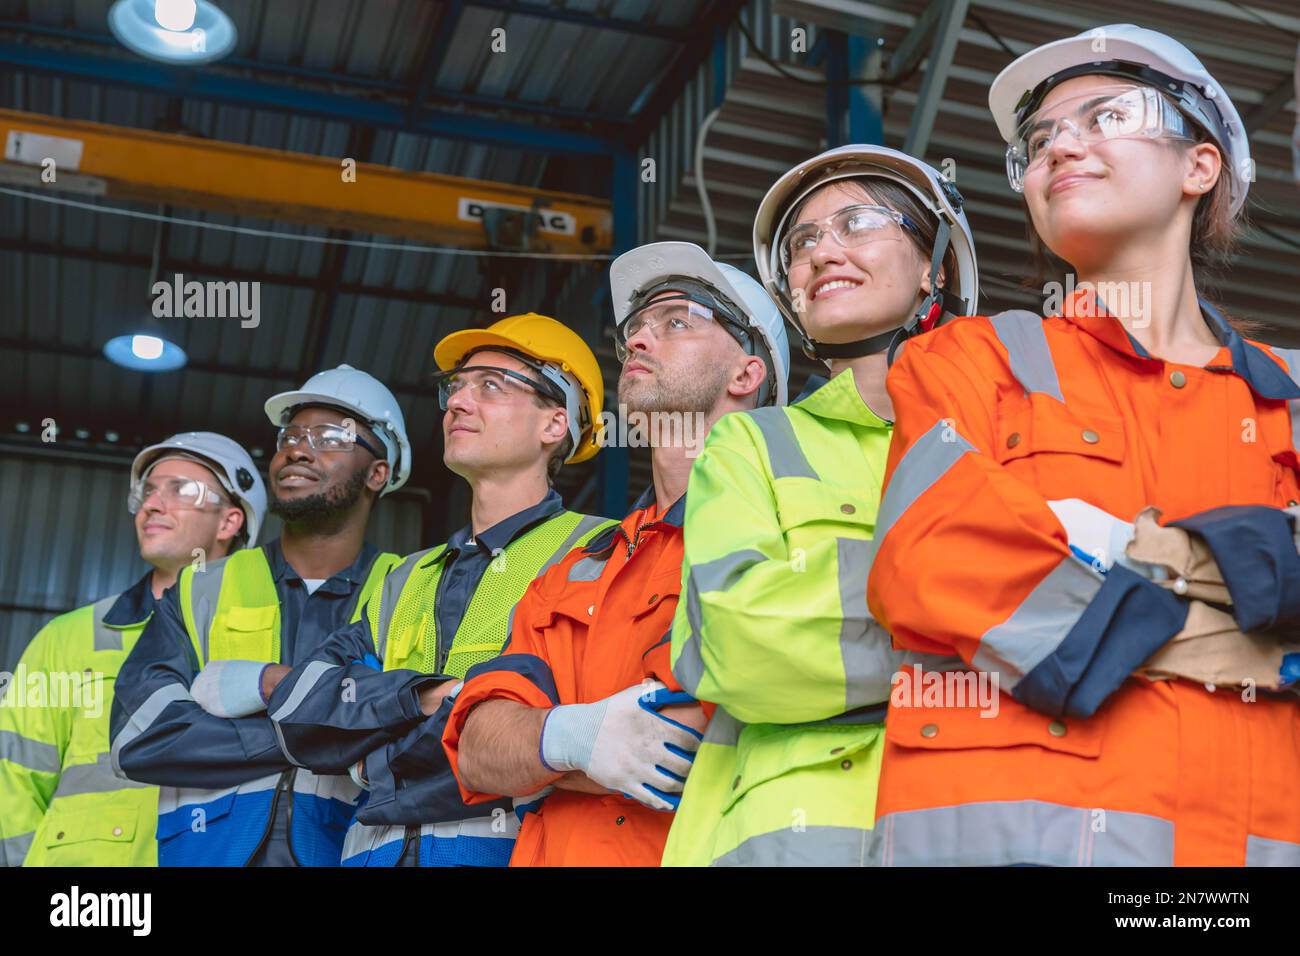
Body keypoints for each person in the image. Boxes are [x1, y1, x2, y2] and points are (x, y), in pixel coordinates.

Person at [866, 23, 1300, 866]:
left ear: (1199, 167)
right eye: (1038, 142)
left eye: (1106, 117)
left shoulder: (1291, 392)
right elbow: (934, 553)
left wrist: (1099, 547)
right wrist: (1243, 606)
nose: (1060, 146)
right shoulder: (970, 360)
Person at [661, 145, 980, 866]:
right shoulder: (751, 444)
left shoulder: (1006, 434)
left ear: (934, 269)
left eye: (858, 223)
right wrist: (974, 627)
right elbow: (738, 642)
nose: (822, 252)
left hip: (976, 824)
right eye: (803, 241)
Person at [442, 242, 790, 865]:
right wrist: (575, 738)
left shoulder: (787, 534)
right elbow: (478, 749)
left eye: (677, 321)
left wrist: (545, 753)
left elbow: (680, 745)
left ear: (746, 374)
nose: (637, 341)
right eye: (635, 328)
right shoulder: (579, 566)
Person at [252, 314, 616, 867]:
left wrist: (373, 761)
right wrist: (424, 697)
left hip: (506, 851)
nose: (457, 404)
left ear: (554, 424)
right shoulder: (405, 578)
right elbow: (303, 712)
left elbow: (581, 734)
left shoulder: (600, 554)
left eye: (490, 385)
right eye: (455, 387)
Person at [109, 366, 407, 866]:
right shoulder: (201, 587)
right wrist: (321, 727)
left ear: (378, 473)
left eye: (329, 437)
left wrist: (261, 702)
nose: (297, 450)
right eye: (290, 436)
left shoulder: (408, 590)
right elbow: (139, 737)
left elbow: (419, 732)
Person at [0, 433, 263, 866]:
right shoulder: (68, 636)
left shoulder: (261, 644)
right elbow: (13, 777)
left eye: (180, 489)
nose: (152, 505)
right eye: (148, 491)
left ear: (229, 522)